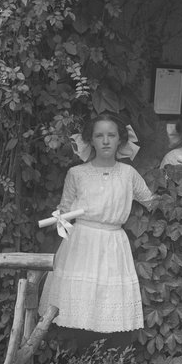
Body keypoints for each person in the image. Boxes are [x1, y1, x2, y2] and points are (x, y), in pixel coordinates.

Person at [40, 112, 156, 339]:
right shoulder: (77, 173)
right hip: (81, 243)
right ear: (90, 140)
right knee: (75, 303)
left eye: (111, 135)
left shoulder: (128, 174)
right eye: (99, 135)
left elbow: (151, 202)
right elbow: (64, 210)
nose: (105, 141)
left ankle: (106, 359)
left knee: (107, 299)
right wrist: (59, 218)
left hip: (113, 243)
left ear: (120, 140)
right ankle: (74, 357)